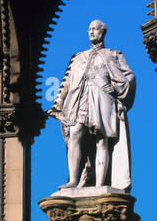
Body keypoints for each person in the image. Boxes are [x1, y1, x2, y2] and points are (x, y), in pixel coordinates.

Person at [48, 19, 135, 190]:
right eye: (89, 29)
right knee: (75, 134)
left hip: (103, 100)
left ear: (103, 32)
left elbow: (130, 76)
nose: (91, 32)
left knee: (101, 140)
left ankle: (100, 184)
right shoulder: (78, 57)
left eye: (95, 29)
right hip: (79, 102)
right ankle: (73, 180)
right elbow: (66, 82)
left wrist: (117, 89)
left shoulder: (114, 55)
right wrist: (58, 103)